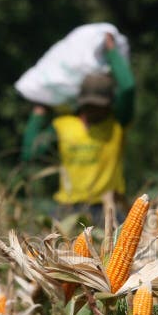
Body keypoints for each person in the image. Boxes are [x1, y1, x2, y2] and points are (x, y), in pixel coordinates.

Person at [21, 33, 135, 223]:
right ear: (81, 102)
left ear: (109, 105)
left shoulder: (116, 124)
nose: (95, 110)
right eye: (90, 105)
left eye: (100, 106)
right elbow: (30, 153)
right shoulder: (63, 125)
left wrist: (112, 52)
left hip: (106, 208)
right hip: (67, 208)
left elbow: (128, 88)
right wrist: (38, 114)